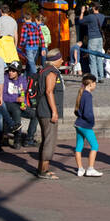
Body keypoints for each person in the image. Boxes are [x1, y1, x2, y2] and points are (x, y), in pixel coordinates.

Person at [35, 48, 66, 179]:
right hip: (47, 111)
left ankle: (41, 169)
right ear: (55, 60)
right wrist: (54, 111)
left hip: (43, 109)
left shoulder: (44, 70)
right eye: (60, 59)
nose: (62, 61)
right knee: (50, 140)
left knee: (46, 139)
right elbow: (49, 91)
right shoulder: (51, 72)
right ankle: (43, 171)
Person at [73, 74, 103, 177]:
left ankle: (80, 169)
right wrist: (91, 121)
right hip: (85, 125)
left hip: (78, 124)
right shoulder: (88, 95)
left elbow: (78, 110)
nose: (95, 85)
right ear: (91, 84)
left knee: (79, 146)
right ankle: (90, 168)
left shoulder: (82, 93)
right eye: (95, 83)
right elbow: (88, 113)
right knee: (94, 145)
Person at [82, 4, 106, 82]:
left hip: (93, 38)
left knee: (92, 58)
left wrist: (82, 12)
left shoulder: (90, 16)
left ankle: (94, 77)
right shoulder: (102, 16)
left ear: (94, 8)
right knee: (99, 57)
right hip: (100, 38)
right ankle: (101, 77)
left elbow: (80, 21)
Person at [0, 3, 20, 72]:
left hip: (2, 42)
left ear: (0, 11)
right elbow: (16, 35)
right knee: (12, 61)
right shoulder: (13, 21)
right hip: (11, 42)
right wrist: (15, 45)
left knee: (1, 61)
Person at [19, 7, 44, 75]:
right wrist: (43, 48)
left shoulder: (25, 26)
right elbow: (41, 37)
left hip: (29, 48)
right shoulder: (37, 25)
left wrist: (19, 48)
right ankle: (25, 77)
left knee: (31, 63)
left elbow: (23, 39)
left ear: (24, 19)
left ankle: (37, 76)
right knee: (29, 63)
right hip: (36, 47)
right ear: (30, 18)